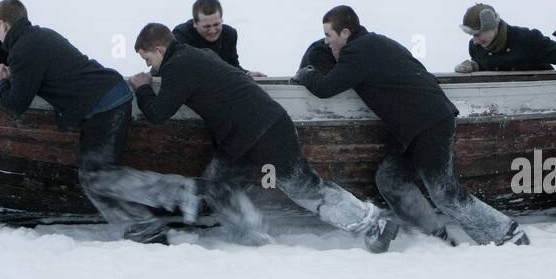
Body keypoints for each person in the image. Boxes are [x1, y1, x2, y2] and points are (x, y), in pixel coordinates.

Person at [131, 23, 398, 252]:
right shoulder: (195, 56)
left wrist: (143, 87)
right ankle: (251, 238)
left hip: (265, 131)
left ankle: (375, 223)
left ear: (160, 50)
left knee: (303, 188)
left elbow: (157, 113)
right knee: (217, 183)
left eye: (147, 60)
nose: (149, 67)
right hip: (244, 137)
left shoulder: (179, 66)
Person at [294, 5, 529, 247]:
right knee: (390, 179)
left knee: (445, 193)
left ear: (344, 33)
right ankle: (436, 233)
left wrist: (305, 74)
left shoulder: (358, 53)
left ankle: (507, 234)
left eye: (328, 36)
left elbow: (324, 88)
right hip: (414, 128)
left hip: (429, 123)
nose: (326, 42)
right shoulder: (372, 43)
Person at [0, 0, 199, 244]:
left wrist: (1, 81)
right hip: (106, 100)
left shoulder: (24, 49)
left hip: (105, 104)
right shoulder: (40, 36)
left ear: (3, 25)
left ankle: (179, 193)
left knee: (98, 176)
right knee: (94, 178)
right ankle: (142, 226)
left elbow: (16, 103)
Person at [454, 3, 556, 73]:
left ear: (492, 27)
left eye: (477, 34)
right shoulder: (476, 47)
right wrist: (474, 66)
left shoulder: (527, 39)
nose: (475, 41)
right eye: (472, 35)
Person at [172, 0, 266, 77]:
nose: (212, 31)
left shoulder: (229, 34)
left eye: (216, 24)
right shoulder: (182, 36)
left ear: (222, 20)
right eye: (207, 26)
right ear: (195, 23)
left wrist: (247, 74)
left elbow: (232, 66)